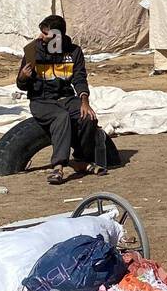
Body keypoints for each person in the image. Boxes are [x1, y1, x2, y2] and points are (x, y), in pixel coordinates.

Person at [18, 15, 106, 185]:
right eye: (42, 33)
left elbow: (79, 78)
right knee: (61, 116)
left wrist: (84, 101)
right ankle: (58, 166)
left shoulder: (74, 52)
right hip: (41, 101)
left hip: (66, 98)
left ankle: (81, 160)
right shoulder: (33, 51)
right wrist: (23, 77)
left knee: (87, 118)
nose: (42, 37)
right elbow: (22, 85)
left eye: (46, 34)